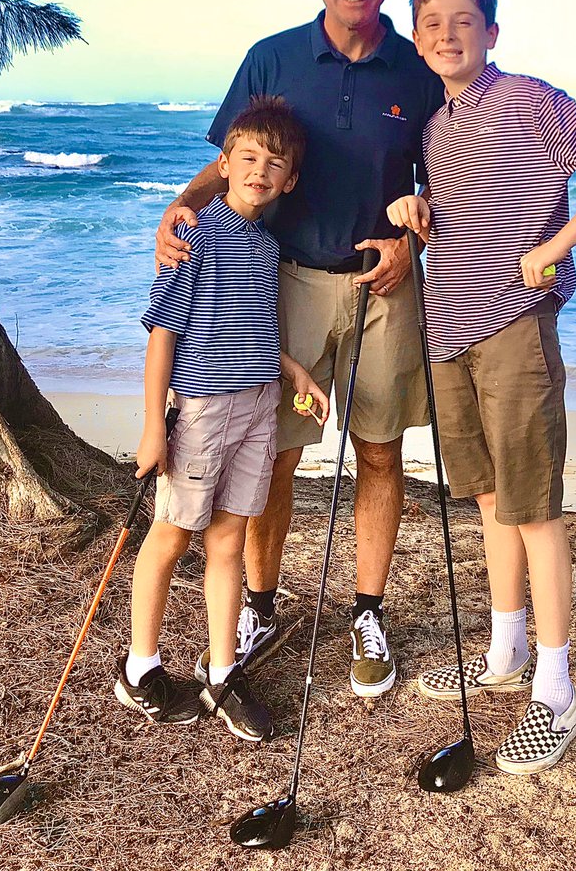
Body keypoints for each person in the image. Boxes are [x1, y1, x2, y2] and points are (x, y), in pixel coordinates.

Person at [155, 0, 445, 697]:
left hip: (384, 285)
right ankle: (259, 606)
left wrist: (411, 244)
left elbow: (443, 184)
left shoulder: (417, 72)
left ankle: (368, 614)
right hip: (284, 283)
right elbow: (232, 161)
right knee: (275, 453)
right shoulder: (272, 58)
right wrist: (180, 207)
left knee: (379, 450)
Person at [388, 0, 576, 773]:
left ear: (492, 32)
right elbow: (457, 214)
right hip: (447, 330)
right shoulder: (433, 129)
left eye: (464, 21)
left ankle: (556, 689)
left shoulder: (529, 99)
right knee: (488, 498)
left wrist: (556, 246)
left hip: (515, 326)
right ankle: (505, 652)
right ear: (417, 40)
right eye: (433, 24)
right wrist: (414, 209)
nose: (448, 35)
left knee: (534, 508)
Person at [116, 97, 329, 736]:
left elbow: (255, 330)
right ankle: (140, 668)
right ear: (225, 164)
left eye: (274, 163)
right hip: (202, 411)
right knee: (172, 533)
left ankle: (221, 670)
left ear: (290, 180)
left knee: (230, 538)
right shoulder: (193, 236)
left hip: (260, 406)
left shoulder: (266, 246)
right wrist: (153, 426)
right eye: (249, 158)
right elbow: (161, 335)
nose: (260, 170)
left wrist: (294, 373)